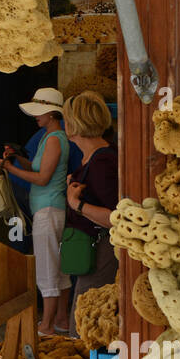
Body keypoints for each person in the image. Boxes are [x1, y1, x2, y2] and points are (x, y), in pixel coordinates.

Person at [0, 87, 71, 335]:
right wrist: (17, 159)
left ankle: (46, 325)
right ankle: (61, 319)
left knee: (47, 270)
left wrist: (8, 167)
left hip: (48, 210)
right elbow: (39, 167)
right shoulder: (51, 137)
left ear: (51, 113)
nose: (36, 116)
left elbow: (43, 178)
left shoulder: (55, 138)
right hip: (49, 209)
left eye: (40, 111)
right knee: (59, 269)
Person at [62, 91, 119, 329]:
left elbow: (117, 217)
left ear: (75, 124)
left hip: (101, 251)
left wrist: (78, 205)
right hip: (91, 251)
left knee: (86, 322)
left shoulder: (102, 162)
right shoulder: (94, 156)